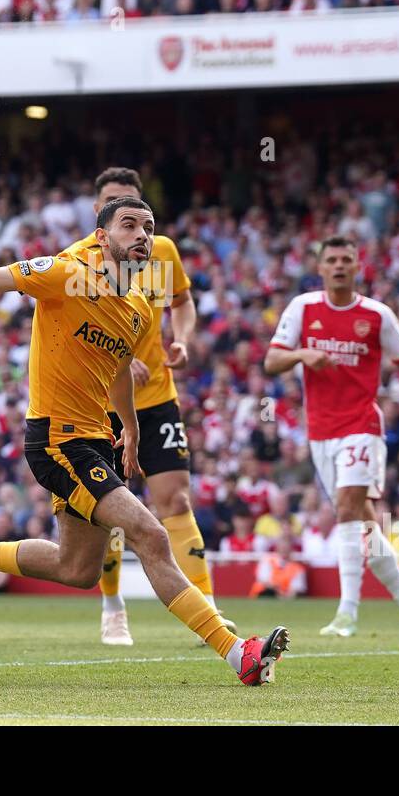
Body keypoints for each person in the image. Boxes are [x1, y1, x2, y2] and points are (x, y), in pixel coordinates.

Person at [0, 198, 289, 685]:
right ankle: (238, 653)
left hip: (96, 440)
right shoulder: (68, 273)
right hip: (58, 441)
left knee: (77, 569)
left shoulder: (140, 309)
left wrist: (131, 426)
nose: (142, 235)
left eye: (149, 227)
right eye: (129, 225)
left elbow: (121, 369)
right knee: (151, 535)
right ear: (101, 236)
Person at [61, 167, 231, 645]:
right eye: (118, 208)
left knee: (176, 499)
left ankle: (208, 610)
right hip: (100, 403)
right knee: (115, 509)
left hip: (156, 397)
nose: (135, 225)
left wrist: (183, 337)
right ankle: (112, 607)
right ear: (100, 213)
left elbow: (182, 301)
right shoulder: (77, 263)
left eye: (139, 212)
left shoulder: (164, 252)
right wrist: (120, 357)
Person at [264, 235, 399, 638]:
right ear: (321, 267)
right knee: (364, 525)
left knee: (346, 510)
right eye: (332, 260)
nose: (340, 265)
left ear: (357, 266)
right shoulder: (303, 308)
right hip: (320, 433)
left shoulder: (377, 315)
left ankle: (347, 614)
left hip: (362, 426)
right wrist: (301, 355)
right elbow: (272, 360)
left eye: (347, 259)